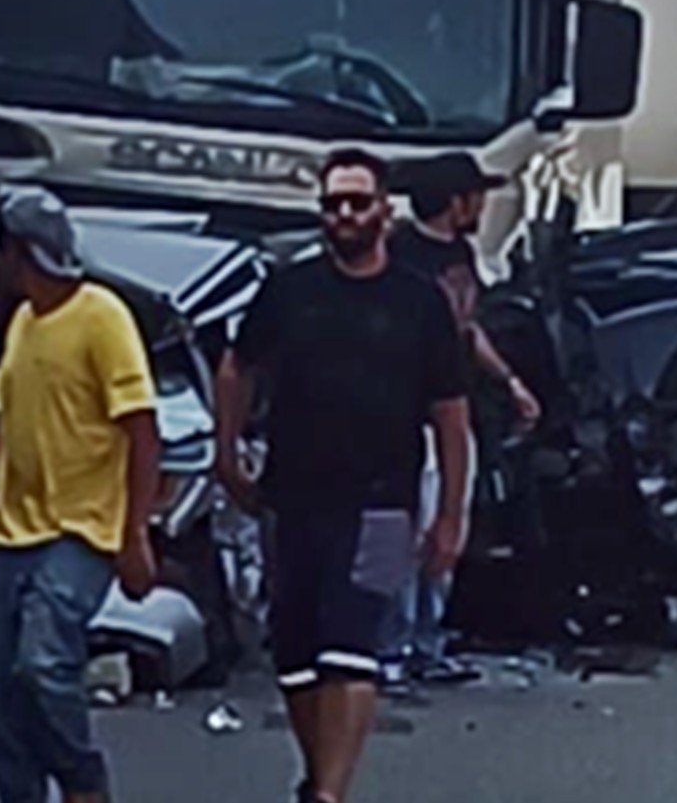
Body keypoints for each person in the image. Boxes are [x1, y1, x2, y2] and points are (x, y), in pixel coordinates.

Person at [214, 148, 472, 803]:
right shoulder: (289, 290)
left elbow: (450, 411)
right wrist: (226, 453)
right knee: (297, 657)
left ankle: (329, 796)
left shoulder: (418, 302)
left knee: (352, 645)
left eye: (358, 201)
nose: (346, 215)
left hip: (382, 503)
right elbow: (237, 367)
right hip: (292, 499)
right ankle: (319, 780)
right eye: (333, 204)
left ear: (384, 209)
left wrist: (450, 515)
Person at [0, 187, 162, 803]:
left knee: (44, 662)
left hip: (80, 530)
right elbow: (0, 434)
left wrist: (136, 533)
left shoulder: (101, 317)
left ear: (16, 254)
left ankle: (83, 781)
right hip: (10, 533)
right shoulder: (24, 324)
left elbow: (141, 429)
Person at [381, 152, 542, 689]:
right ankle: (394, 645)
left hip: (455, 407)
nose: (483, 204)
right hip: (409, 413)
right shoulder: (400, 254)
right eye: (477, 195)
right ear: (456, 201)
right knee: (413, 528)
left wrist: (509, 381)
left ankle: (427, 641)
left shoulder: (459, 253)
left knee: (450, 524)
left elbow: (468, 329)